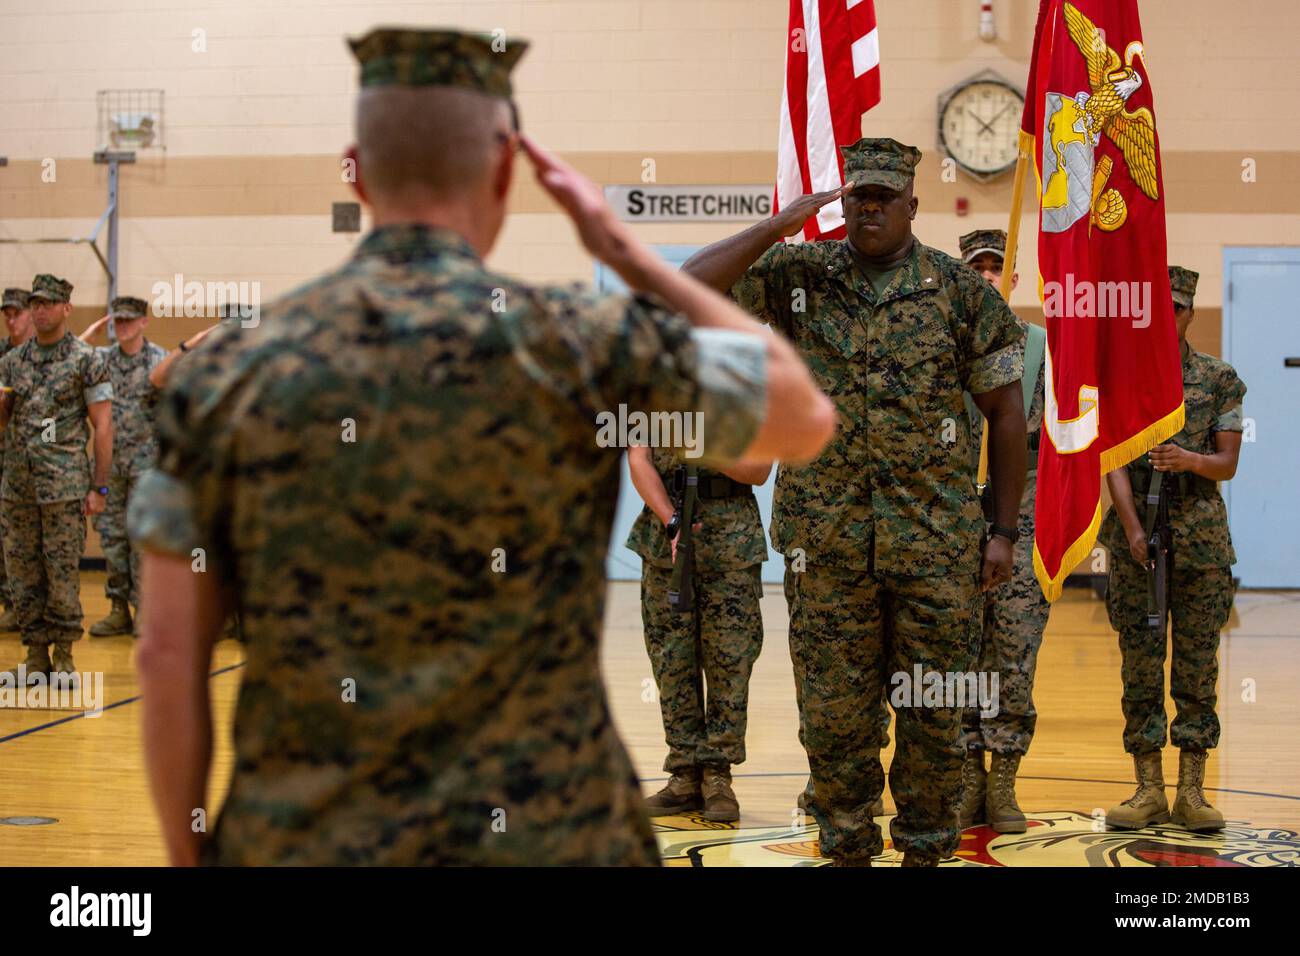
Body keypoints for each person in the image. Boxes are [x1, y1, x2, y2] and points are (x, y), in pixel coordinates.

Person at [128, 27, 836, 866]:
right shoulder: (579, 339)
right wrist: (626, 256)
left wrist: (187, 853)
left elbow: (167, 649)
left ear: (356, 167)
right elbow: (802, 417)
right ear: (506, 169)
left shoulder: (228, 370)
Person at [683, 138, 1026, 866]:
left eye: (883, 197)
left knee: (934, 715)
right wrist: (778, 226)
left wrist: (1001, 530)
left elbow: (1006, 412)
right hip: (826, 550)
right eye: (857, 196)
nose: (869, 208)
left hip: (936, 549)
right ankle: (845, 848)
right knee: (835, 720)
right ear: (843, 204)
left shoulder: (959, 292)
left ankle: (925, 851)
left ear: (911, 205)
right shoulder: (798, 274)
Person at [1102, 266, 1245, 833]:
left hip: (1200, 541)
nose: (1168, 318)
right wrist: (1133, 529)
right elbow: (1110, 460)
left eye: (1178, 307)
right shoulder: (1122, 379)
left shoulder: (1218, 378)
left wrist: (1189, 461)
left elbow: (1228, 463)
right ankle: (1147, 789)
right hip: (1139, 541)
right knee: (1139, 666)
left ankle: (1192, 789)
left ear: (1190, 312)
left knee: (1195, 667)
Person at [954, 229, 1051, 833]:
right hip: (956, 515)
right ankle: (968, 775)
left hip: (1028, 511)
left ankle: (1006, 779)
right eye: (978, 267)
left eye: (999, 267)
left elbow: (1066, 440)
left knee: (1014, 651)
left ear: (1013, 278)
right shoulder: (942, 341)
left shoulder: (1043, 347)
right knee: (960, 652)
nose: (989, 276)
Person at [626, 445, 769, 822]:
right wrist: (671, 521)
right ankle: (685, 775)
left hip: (732, 542)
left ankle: (717, 776)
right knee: (671, 661)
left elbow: (758, 469)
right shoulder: (657, 387)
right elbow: (638, 459)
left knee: (730, 661)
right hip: (664, 539)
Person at [0, 274, 113, 684]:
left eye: (48, 302)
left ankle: (63, 654)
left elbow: (103, 426)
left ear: (67, 307)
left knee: (62, 572)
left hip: (64, 488)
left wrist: (99, 487)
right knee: (22, 574)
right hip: (18, 488)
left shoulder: (86, 360)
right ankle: (34, 656)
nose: (40, 309)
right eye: (35, 303)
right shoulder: (11, 362)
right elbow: (3, 420)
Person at [78, 296, 168, 637]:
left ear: (144, 322)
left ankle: (145, 610)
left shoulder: (159, 359)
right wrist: (91, 332)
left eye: (130, 320)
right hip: (110, 465)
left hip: (147, 466)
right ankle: (118, 609)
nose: (123, 326)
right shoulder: (101, 359)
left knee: (143, 540)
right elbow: (66, 356)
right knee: (112, 538)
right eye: (118, 320)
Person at [0, 288, 36, 633]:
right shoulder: (2, 355)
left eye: (17, 313)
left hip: (27, 460)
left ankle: (19, 606)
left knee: (23, 539)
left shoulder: (37, 356)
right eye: (7, 314)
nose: (12, 319)